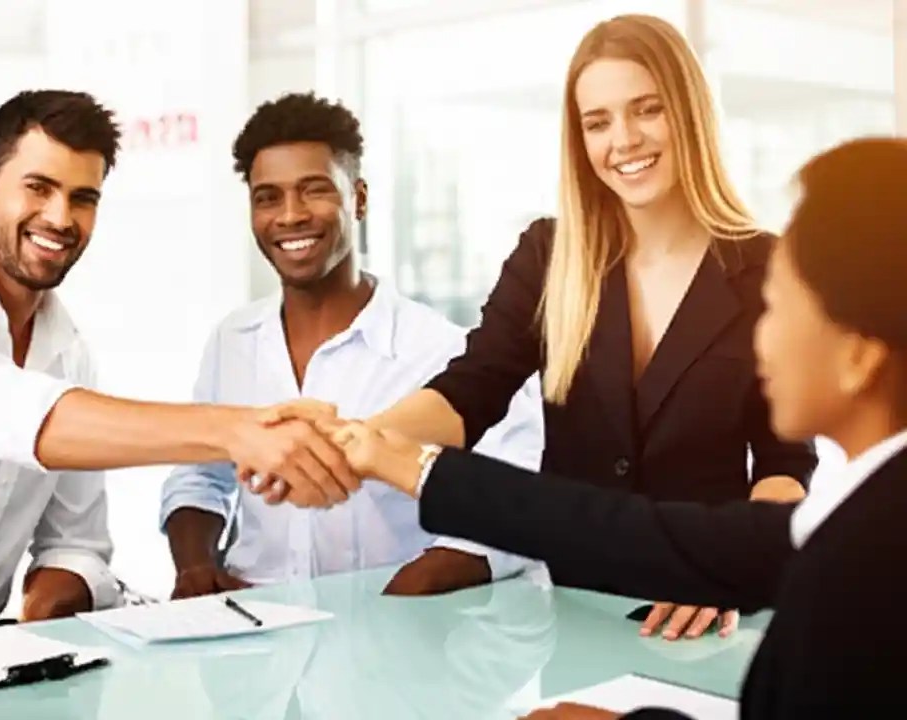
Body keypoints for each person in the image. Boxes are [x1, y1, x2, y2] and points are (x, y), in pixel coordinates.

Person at [265, 13, 816, 640]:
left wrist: (731, 567)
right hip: (576, 603)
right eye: (598, 122)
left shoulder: (766, 270)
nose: (625, 140)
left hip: (704, 611)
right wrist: (350, 439)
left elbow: (784, 461)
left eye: (647, 109)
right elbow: (470, 392)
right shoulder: (549, 256)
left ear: (688, 112)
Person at [319, 135, 907, 719]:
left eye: (777, 308)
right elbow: (617, 529)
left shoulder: (864, 568)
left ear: (859, 356)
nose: (758, 337)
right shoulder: (856, 521)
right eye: (597, 120)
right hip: (587, 618)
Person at [0, 89, 356, 645]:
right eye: (38, 188)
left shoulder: (67, 348)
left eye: (83, 198)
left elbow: (75, 543)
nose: (60, 217)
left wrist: (52, 597)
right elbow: (13, 415)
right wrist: (238, 431)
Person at [159, 92, 544, 598]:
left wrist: (415, 587)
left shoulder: (449, 354)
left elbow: (517, 504)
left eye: (313, 190)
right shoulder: (232, 341)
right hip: (254, 631)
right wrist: (195, 566)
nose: (289, 215)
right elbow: (198, 478)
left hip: (395, 634)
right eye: (267, 197)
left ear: (358, 198)